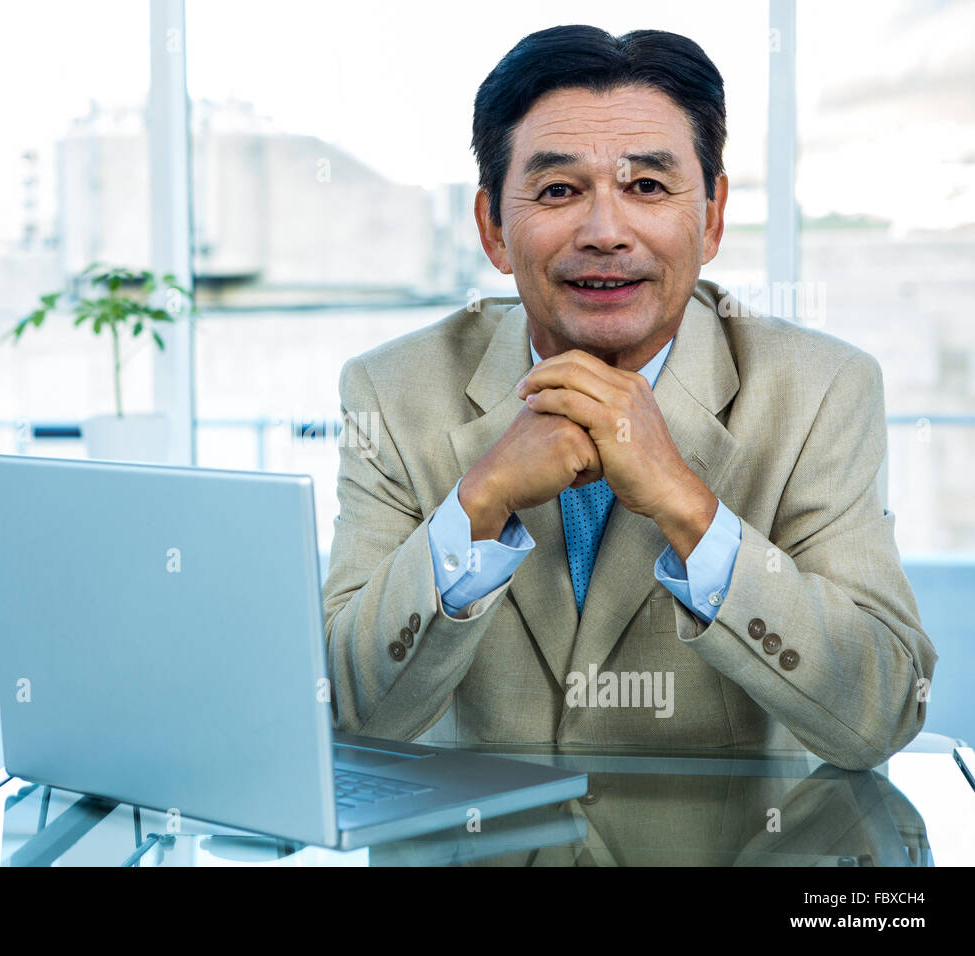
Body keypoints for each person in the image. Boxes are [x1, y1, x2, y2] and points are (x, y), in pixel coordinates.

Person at [322, 25, 935, 771]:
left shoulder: (820, 389)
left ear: (710, 217)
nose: (606, 232)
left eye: (647, 186)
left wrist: (687, 507)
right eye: (558, 190)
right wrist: (478, 502)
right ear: (492, 228)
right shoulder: (390, 390)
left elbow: (884, 713)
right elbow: (347, 711)